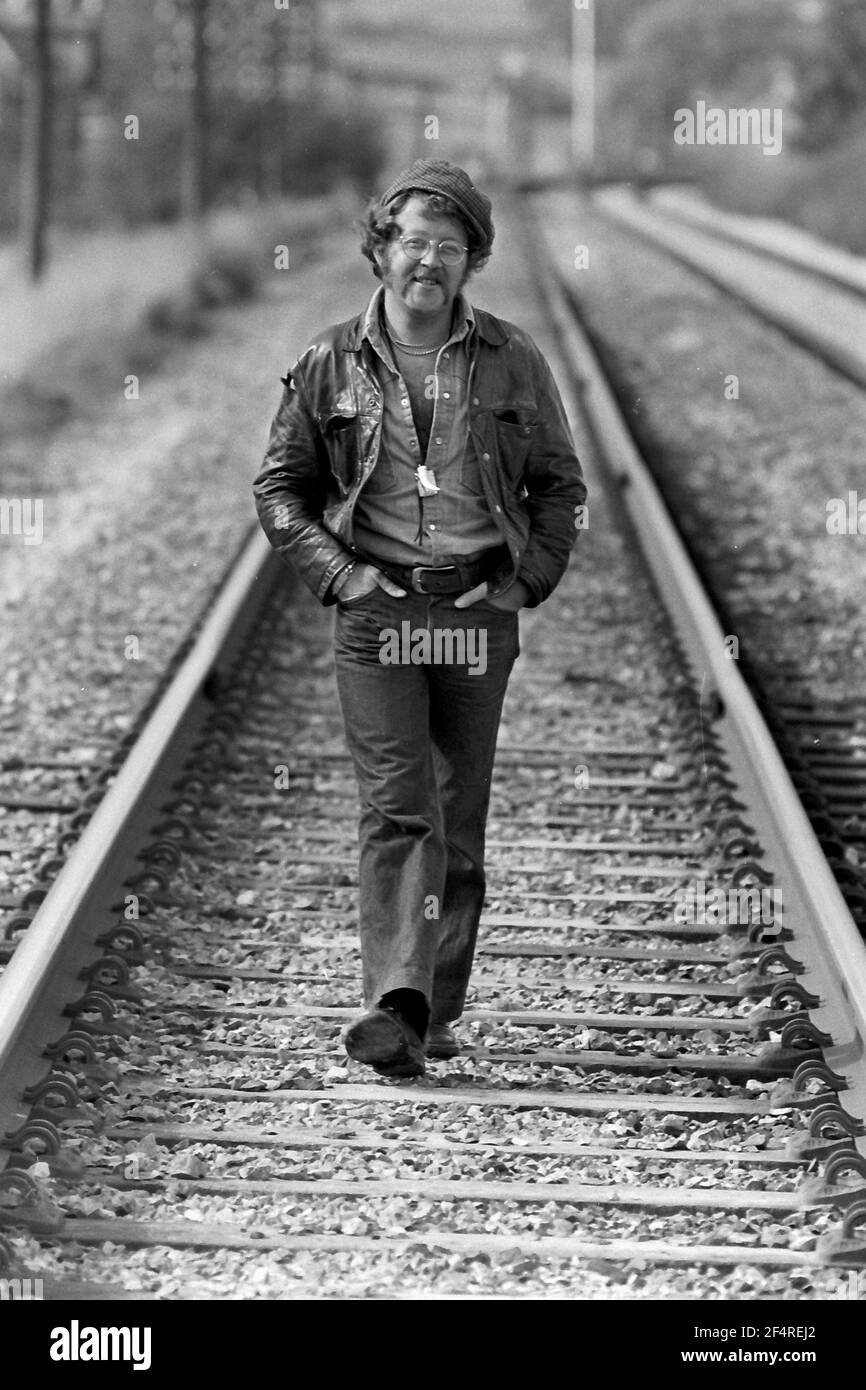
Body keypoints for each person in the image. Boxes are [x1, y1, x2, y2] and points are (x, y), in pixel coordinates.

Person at [253, 159, 587, 1079]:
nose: (427, 262)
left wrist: (527, 583)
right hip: (381, 611)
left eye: (449, 246)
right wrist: (343, 577)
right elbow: (281, 489)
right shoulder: (328, 362)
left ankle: (433, 1012)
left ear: (471, 260)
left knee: (457, 819)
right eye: (412, 243)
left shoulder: (514, 357)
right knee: (400, 810)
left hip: (476, 610)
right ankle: (396, 1005)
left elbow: (560, 487)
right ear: (381, 251)